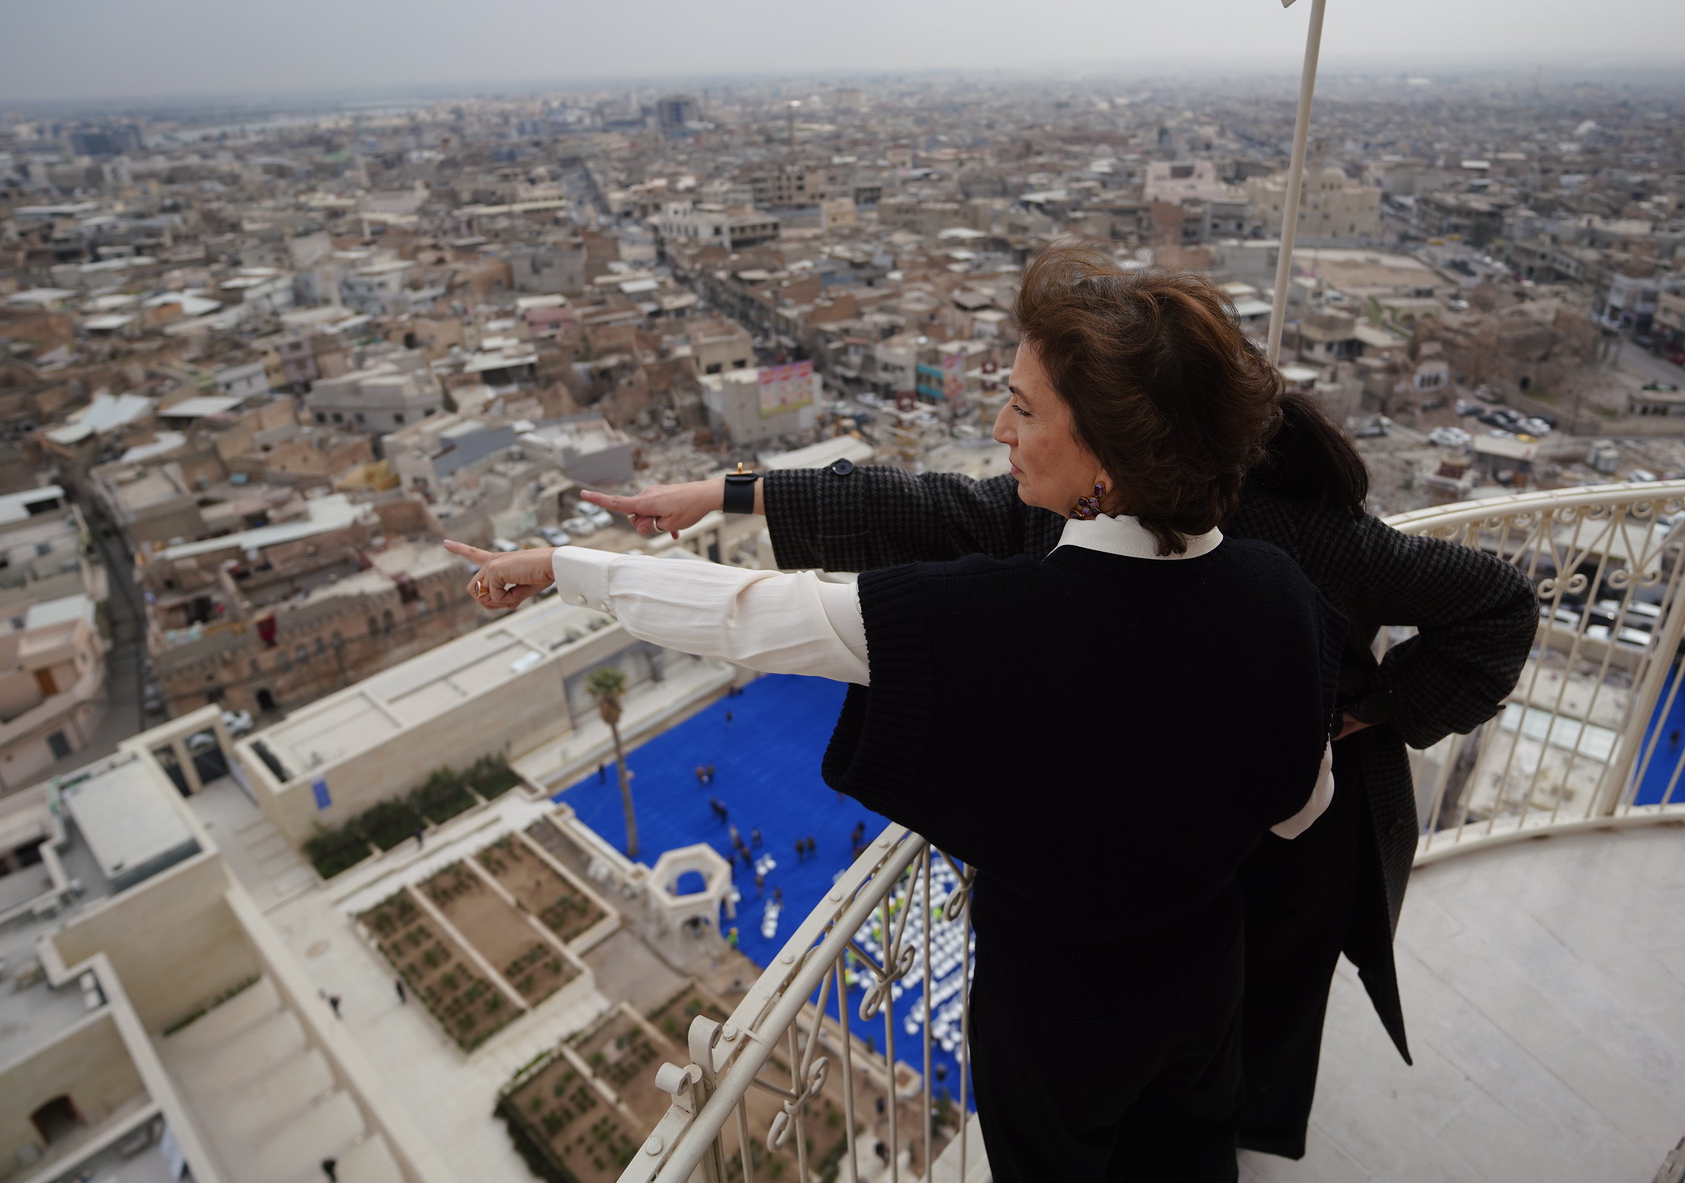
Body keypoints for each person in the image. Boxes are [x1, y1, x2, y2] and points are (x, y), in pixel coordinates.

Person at [577, 247, 1537, 1159]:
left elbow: (1496, 610)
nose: (1003, 434)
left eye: (1023, 410)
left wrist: (1365, 712)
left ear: (1118, 443)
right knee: (1197, 1078)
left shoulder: (1305, 552)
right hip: (1203, 908)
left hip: (1241, 897)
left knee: (1234, 1054)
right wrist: (730, 491)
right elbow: (914, 509)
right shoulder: (1122, 530)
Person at [449, 247, 1347, 1181]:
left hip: (1055, 1014)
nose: (999, 425)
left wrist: (567, 570)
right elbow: (1301, 806)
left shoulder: (987, 618)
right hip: (1206, 972)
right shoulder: (1276, 590)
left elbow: (746, 616)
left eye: (1025, 408)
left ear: (1109, 460)